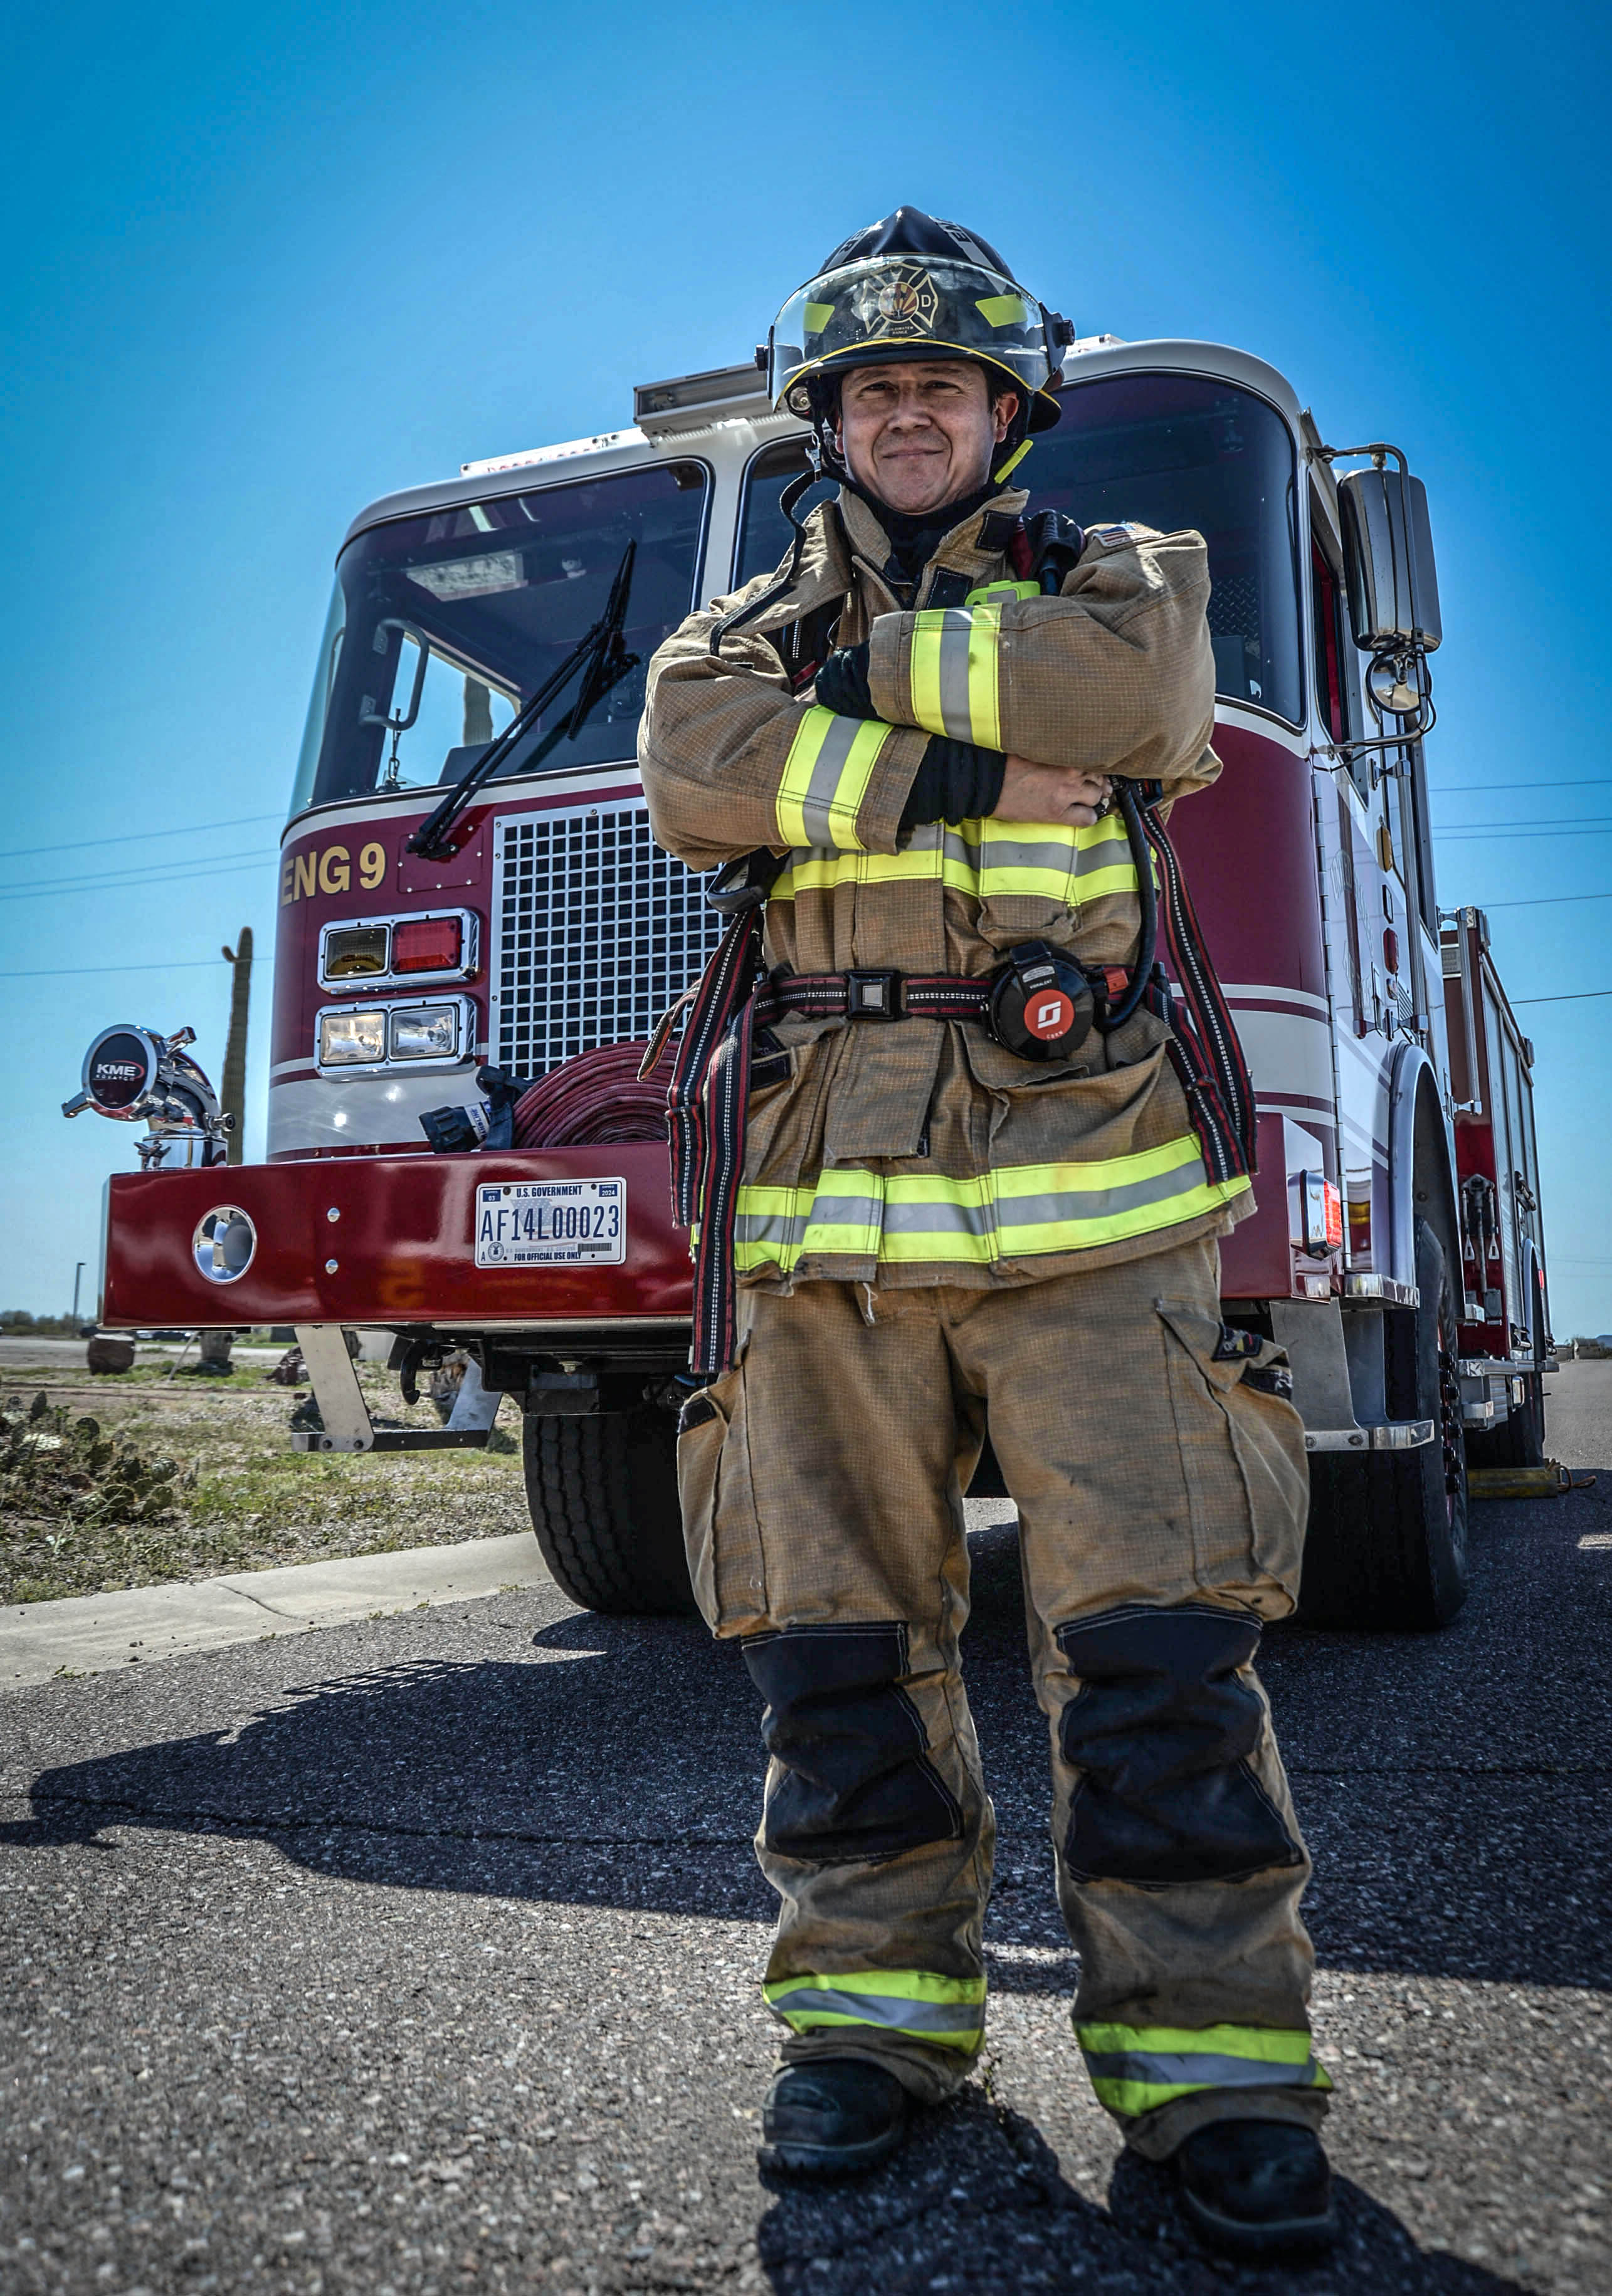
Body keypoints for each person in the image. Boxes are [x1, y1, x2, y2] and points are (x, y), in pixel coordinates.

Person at [638, 208, 1334, 2261]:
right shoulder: (722, 638)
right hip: (816, 1224)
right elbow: (692, 768)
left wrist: (840, 744)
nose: (906, 411)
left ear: (1007, 409)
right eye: (870, 388)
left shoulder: (1120, 584)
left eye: (942, 380)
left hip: (1095, 1214)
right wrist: (973, 768)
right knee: (835, 1662)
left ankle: (1213, 2078)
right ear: (832, 422)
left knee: (1158, 1662)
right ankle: (868, 2035)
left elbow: (1136, 692)